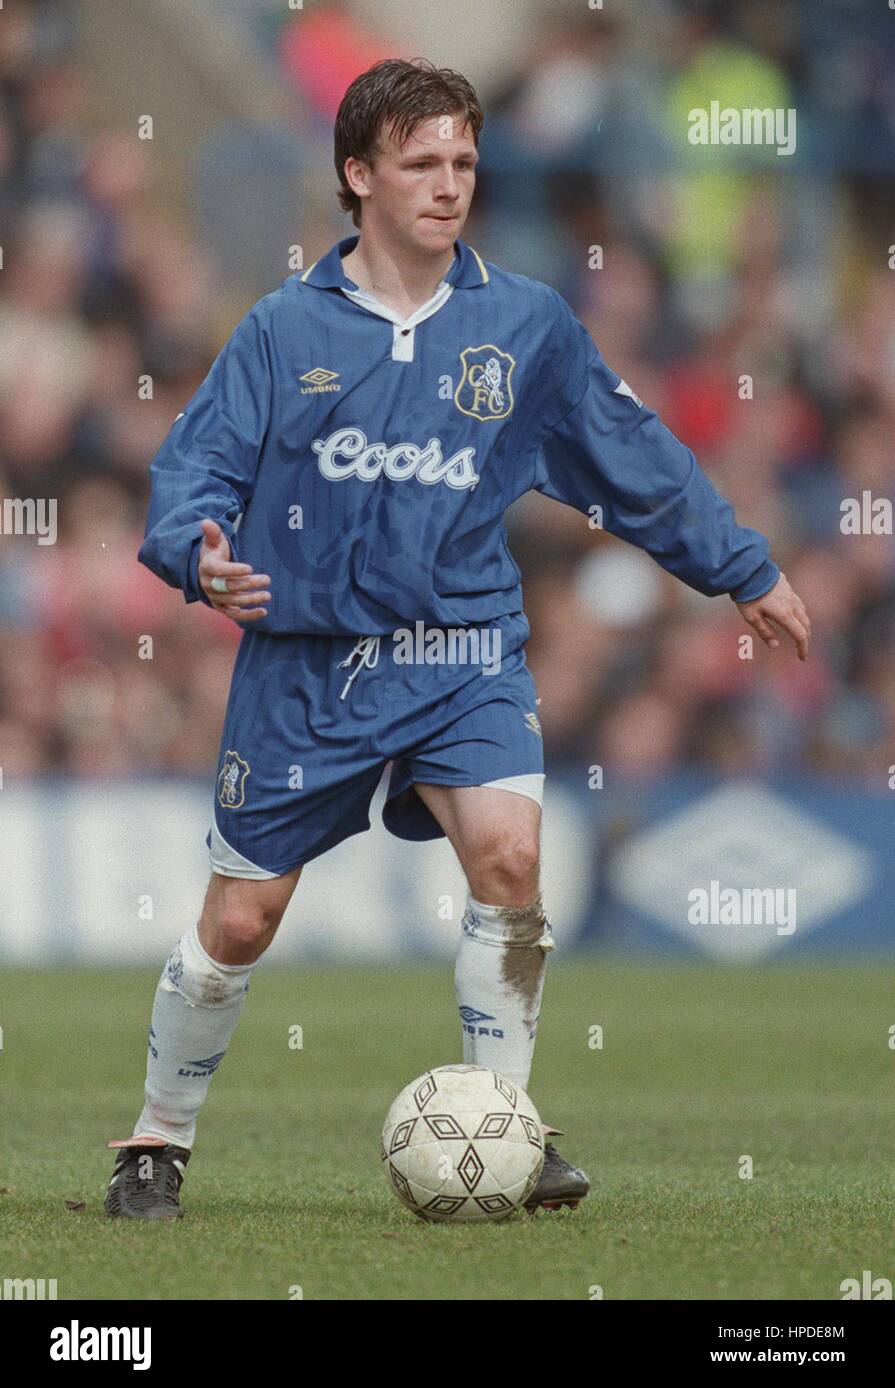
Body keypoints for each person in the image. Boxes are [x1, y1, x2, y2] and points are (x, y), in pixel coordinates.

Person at [105, 58, 811, 1220]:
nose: (448, 185)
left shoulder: (524, 325)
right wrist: (201, 556)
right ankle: (156, 1140)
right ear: (357, 174)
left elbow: (633, 465)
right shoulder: (283, 331)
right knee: (241, 918)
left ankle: (505, 1128)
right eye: (421, 163)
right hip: (310, 666)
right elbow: (191, 476)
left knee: (511, 861)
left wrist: (741, 568)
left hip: (461, 649)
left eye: (464, 163)